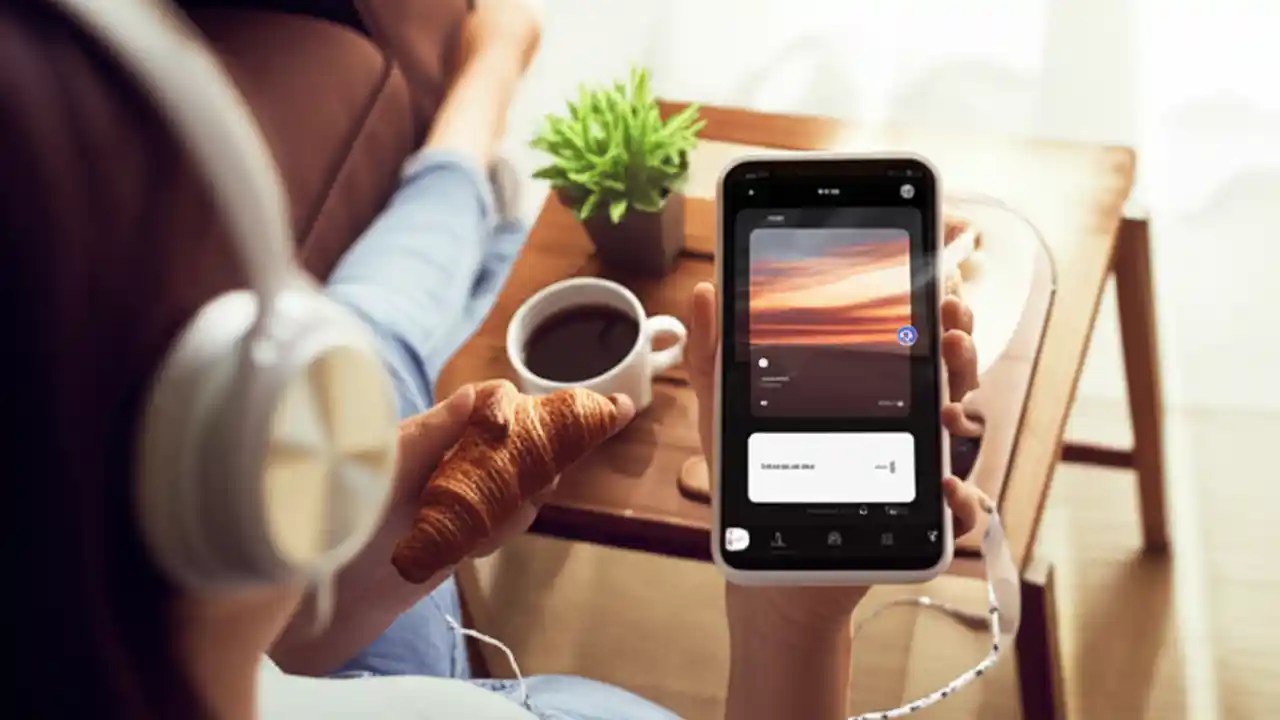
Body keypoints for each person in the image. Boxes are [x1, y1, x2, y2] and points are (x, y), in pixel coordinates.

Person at [6, 0, 992, 717]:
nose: (293, 381)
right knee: (372, 328)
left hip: (304, 671)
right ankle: (476, 126)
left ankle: (476, 137)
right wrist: (793, 631)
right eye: (243, 374)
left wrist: (368, 542)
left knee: (376, 326)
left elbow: (255, 652)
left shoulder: (111, 650)